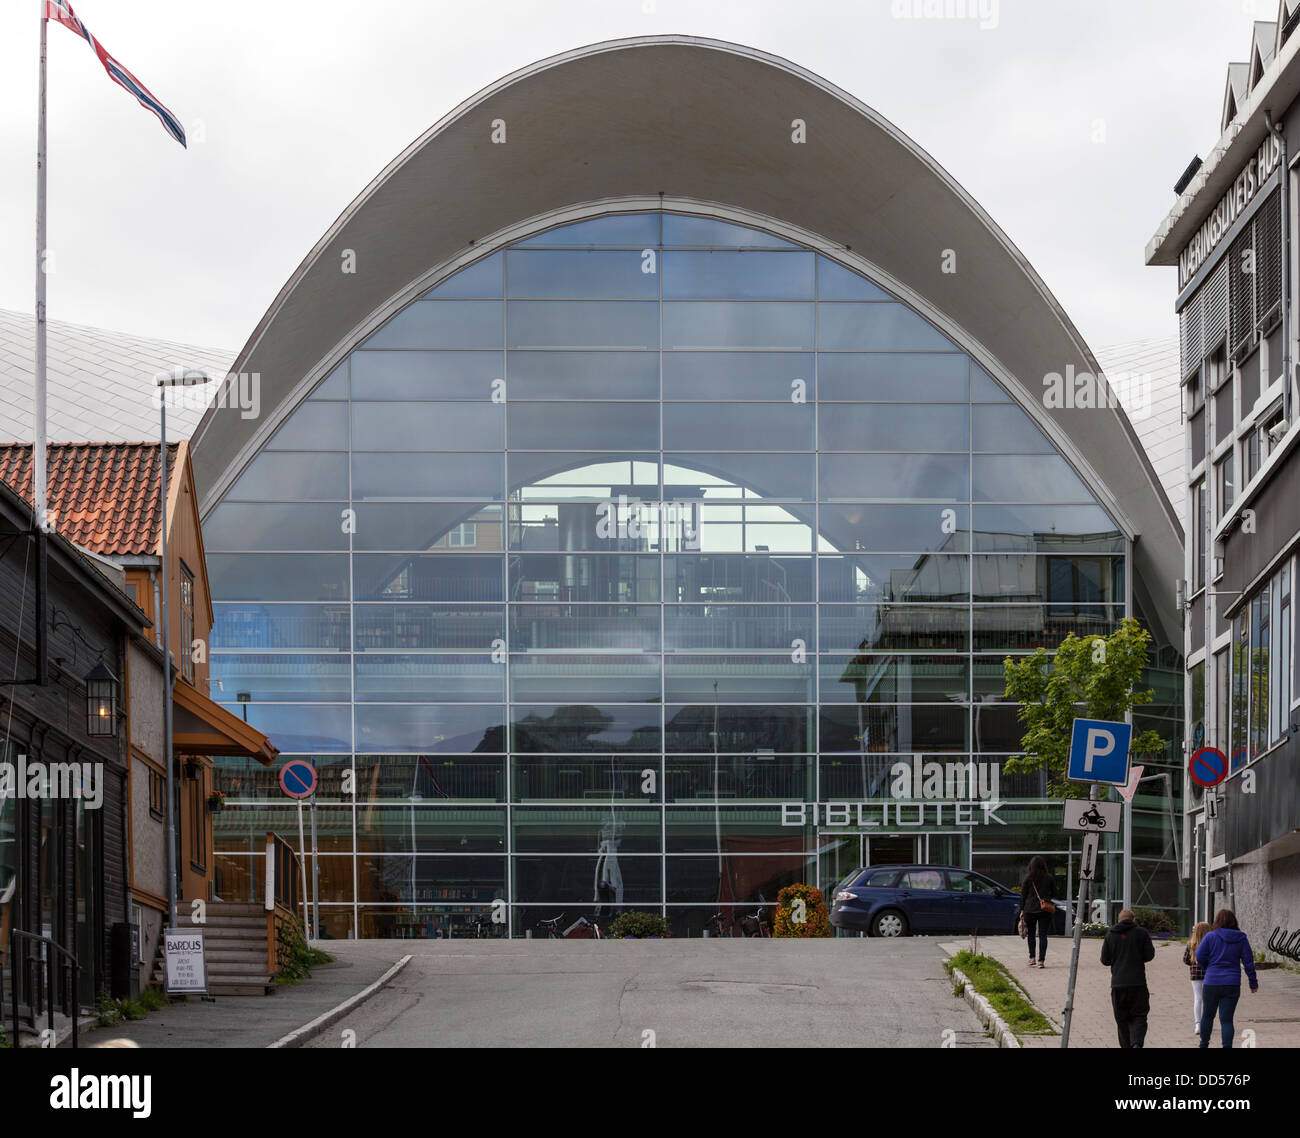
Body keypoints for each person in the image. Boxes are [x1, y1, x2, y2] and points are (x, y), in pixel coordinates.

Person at [1196, 909, 1258, 1048]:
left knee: (1207, 1015)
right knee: (1227, 1020)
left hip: (1211, 982)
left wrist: (1209, 968)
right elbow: (1248, 961)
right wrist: (1253, 982)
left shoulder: (1210, 936)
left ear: (1217, 921)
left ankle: (1203, 1044)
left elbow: (1199, 955)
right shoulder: (1241, 938)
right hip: (1232, 983)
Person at [1100, 909, 1155, 1048]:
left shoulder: (1110, 935)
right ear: (1133, 919)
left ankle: (1126, 1045)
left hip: (1118, 985)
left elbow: (1104, 960)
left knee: (1121, 1020)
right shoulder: (1141, 933)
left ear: (1118, 920)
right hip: (1138, 983)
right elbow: (1150, 955)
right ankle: (1136, 1043)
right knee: (1140, 1015)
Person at [1018, 855, 1054, 968]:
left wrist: (1022, 909)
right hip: (1044, 910)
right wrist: (1046, 897)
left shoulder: (1028, 878)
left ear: (1031, 866)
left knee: (1031, 935)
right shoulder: (1049, 878)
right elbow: (1054, 893)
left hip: (1030, 910)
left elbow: (1023, 896)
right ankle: (1041, 961)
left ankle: (1032, 958)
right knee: (1043, 935)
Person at [1184, 921, 1210, 1037]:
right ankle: (1206, 1023)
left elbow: (1185, 959)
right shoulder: (1210, 944)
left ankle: (1197, 1024)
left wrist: (1193, 964)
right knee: (1208, 999)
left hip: (1195, 974)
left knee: (1197, 998)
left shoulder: (1191, 944)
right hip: (1209, 974)